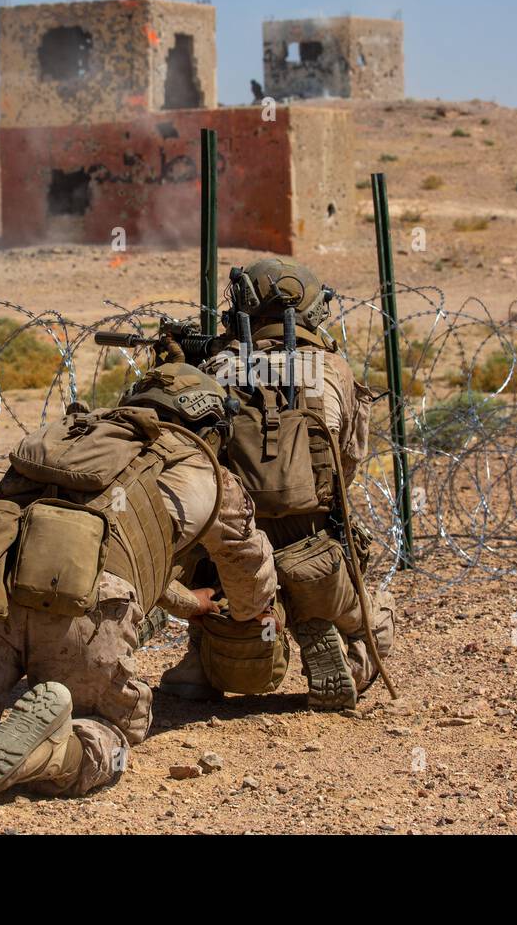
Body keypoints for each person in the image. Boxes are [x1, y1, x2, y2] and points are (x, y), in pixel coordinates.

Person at [0, 364, 282, 825]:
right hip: (88, 610)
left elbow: (63, 531)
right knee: (109, 731)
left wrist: (188, 602)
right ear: (212, 427)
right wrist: (249, 617)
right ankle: (47, 753)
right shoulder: (208, 473)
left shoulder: (69, 435)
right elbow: (246, 573)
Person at [159, 259, 397, 711]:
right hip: (310, 533)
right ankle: (346, 638)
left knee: (214, 565)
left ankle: (205, 662)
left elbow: (193, 454)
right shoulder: (332, 369)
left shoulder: (213, 367)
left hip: (233, 531)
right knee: (326, 569)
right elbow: (348, 459)